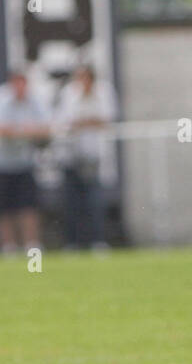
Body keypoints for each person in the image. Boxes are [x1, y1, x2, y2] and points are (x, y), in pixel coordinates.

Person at [55, 64, 118, 251]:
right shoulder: (69, 93)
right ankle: (72, 243)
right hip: (70, 155)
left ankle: (97, 241)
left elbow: (107, 118)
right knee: (71, 202)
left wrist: (85, 122)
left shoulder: (104, 91)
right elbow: (66, 120)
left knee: (94, 201)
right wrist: (87, 121)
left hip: (93, 155)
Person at [0, 70, 49, 257]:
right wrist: (24, 131)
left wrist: (21, 131)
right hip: (3, 163)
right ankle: (9, 246)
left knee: (28, 206)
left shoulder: (35, 101)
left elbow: (45, 128)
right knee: (5, 207)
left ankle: (32, 246)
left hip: (25, 162)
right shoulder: (3, 100)